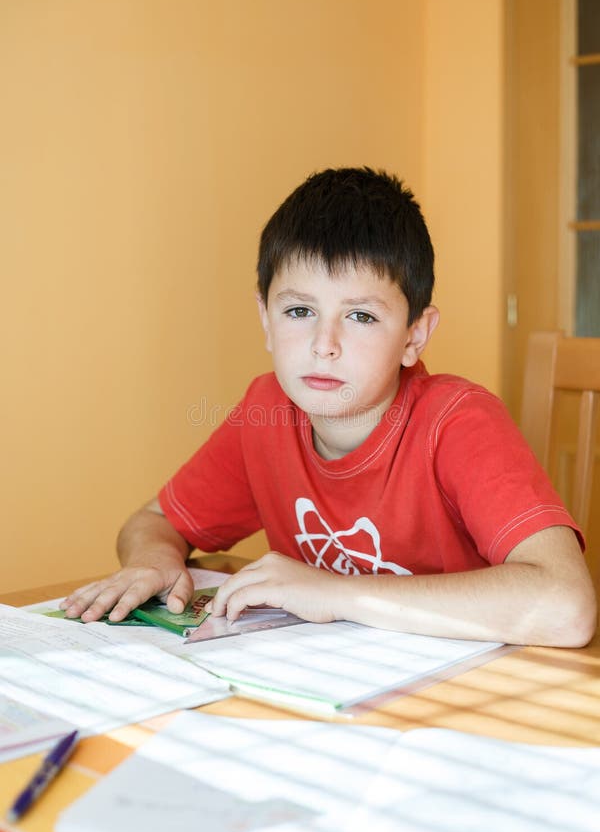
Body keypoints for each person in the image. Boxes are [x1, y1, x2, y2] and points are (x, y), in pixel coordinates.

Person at [62, 167, 597, 646]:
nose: (324, 344)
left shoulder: (457, 421)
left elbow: (567, 607)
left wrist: (336, 594)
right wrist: (153, 559)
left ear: (415, 335)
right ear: (266, 321)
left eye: (361, 317)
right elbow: (152, 521)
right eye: (299, 310)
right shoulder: (266, 411)